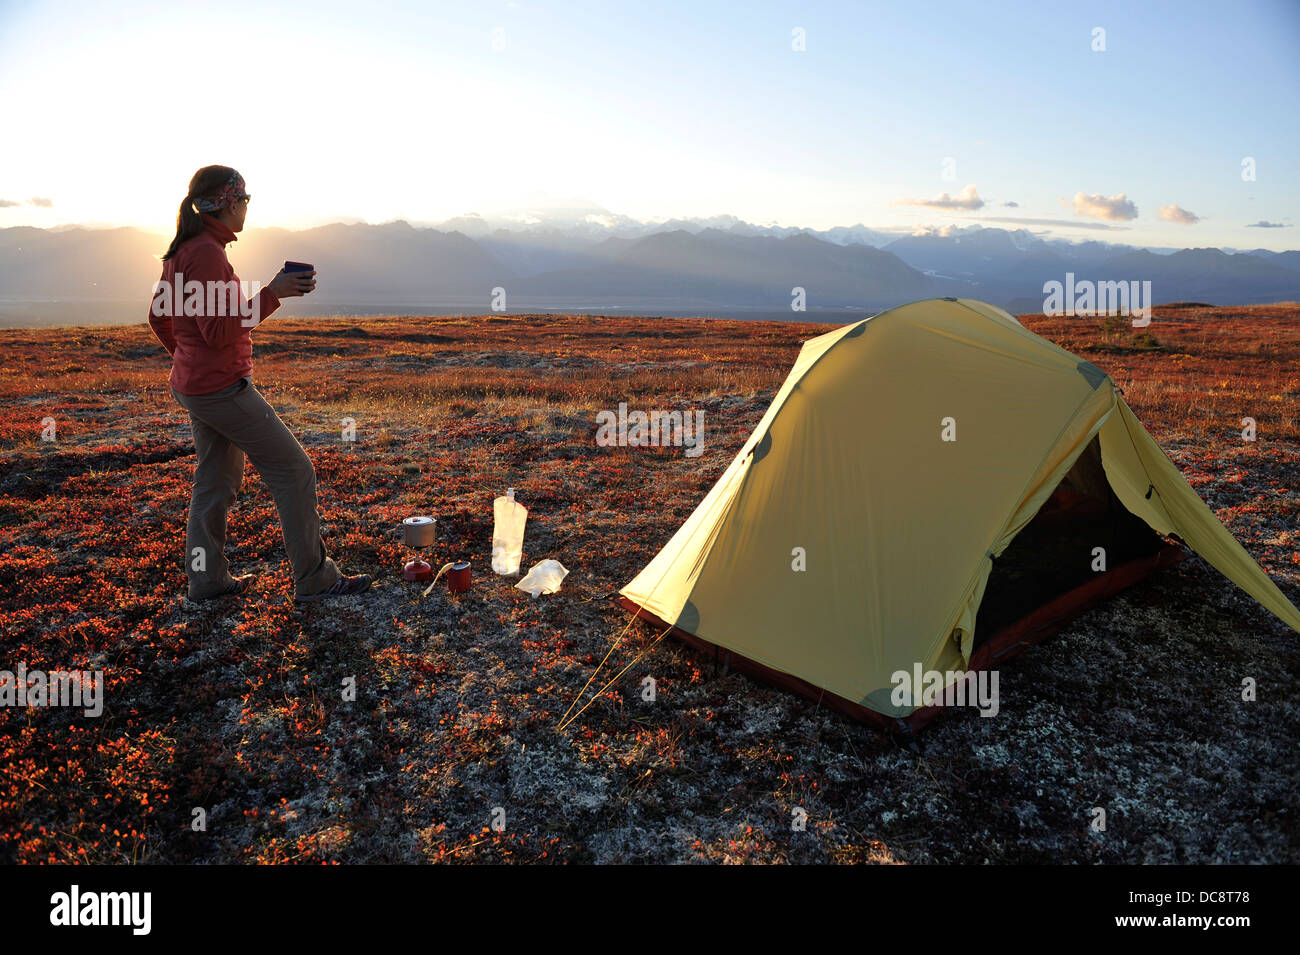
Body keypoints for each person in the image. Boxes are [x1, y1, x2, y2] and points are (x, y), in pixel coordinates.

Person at [148, 165, 371, 603]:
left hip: (196, 386)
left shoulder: (183, 249)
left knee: (215, 480)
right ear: (228, 203)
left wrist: (187, 359)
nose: (247, 208)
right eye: (245, 200)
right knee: (294, 471)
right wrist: (274, 293)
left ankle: (207, 580)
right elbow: (216, 331)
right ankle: (314, 579)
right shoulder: (207, 253)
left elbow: (159, 316)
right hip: (222, 388)